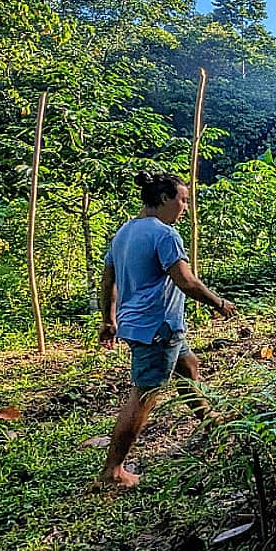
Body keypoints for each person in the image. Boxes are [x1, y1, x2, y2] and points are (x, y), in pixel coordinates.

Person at [96, 171, 237, 488]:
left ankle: (208, 418)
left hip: (141, 324)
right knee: (145, 396)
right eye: (183, 199)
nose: (186, 206)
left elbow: (108, 280)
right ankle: (113, 471)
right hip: (157, 326)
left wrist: (108, 319)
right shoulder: (165, 235)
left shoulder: (125, 232)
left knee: (187, 366)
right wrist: (219, 303)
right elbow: (186, 281)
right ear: (163, 199)